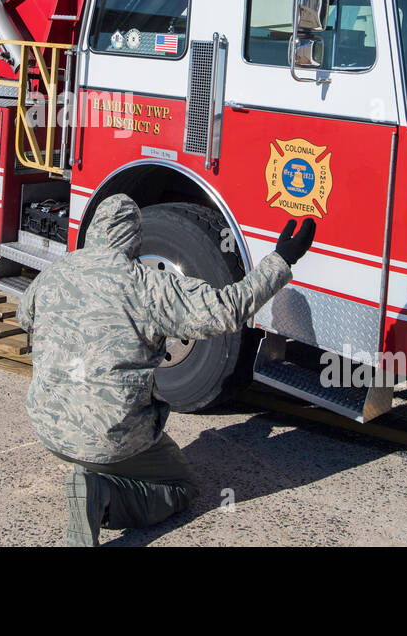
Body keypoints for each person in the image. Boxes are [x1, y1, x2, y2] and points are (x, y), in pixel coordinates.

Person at [18, 194, 316, 546]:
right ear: (134, 238)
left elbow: (26, 317)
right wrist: (281, 260)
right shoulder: (147, 285)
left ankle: (95, 474)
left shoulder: (54, 272)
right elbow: (227, 310)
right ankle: (102, 491)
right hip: (109, 437)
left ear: (95, 231)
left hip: (49, 427)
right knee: (182, 488)